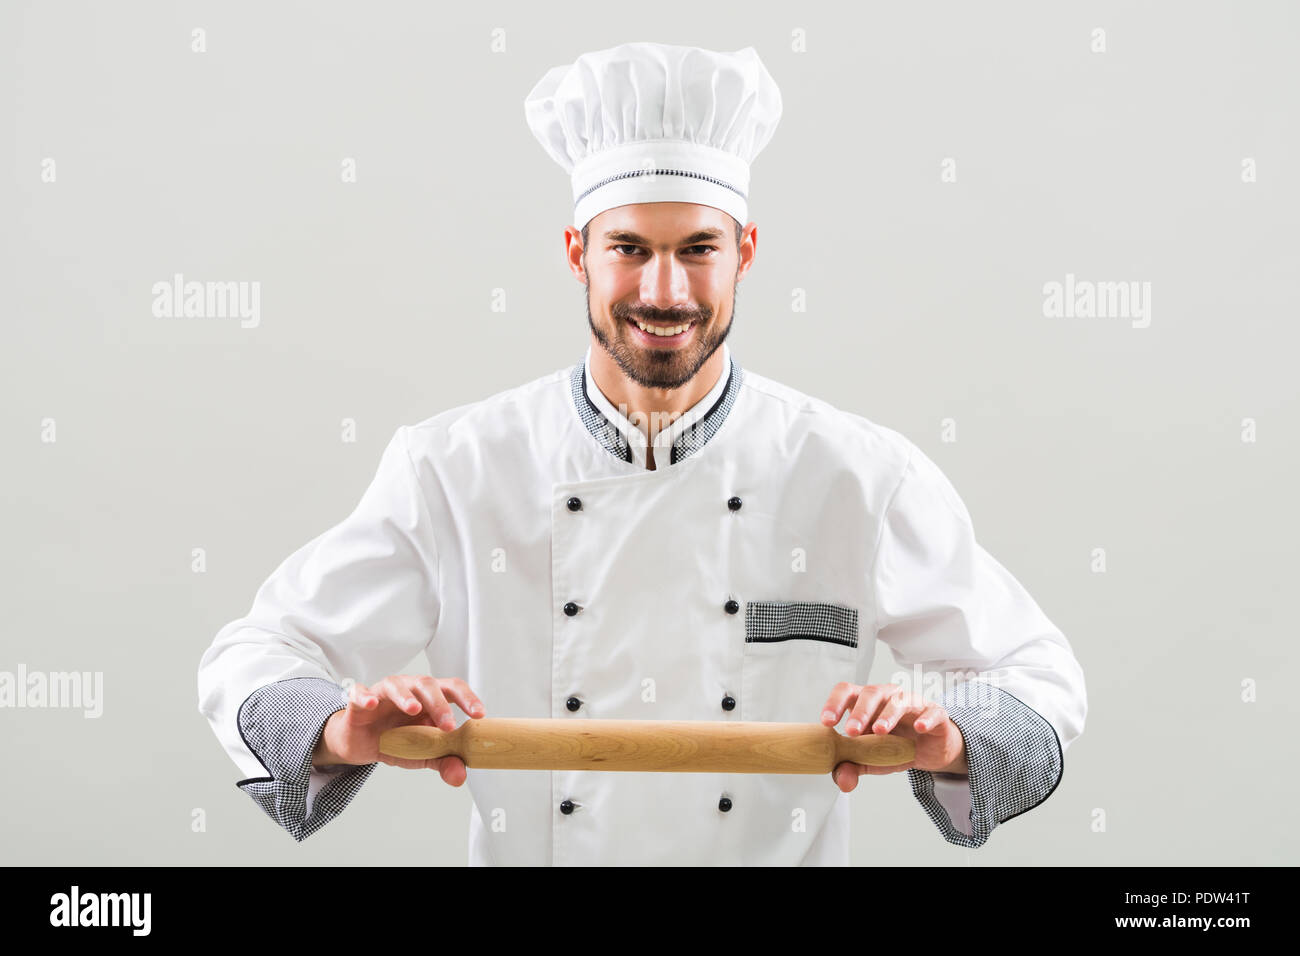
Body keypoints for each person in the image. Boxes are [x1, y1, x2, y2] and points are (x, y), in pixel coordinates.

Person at [197, 41, 1086, 866]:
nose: (665, 290)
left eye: (698, 249)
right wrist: (344, 729)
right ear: (578, 253)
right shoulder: (455, 471)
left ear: (745, 252)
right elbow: (258, 650)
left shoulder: (858, 476)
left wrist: (951, 733)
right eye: (630, 248)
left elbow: (1039, 675)